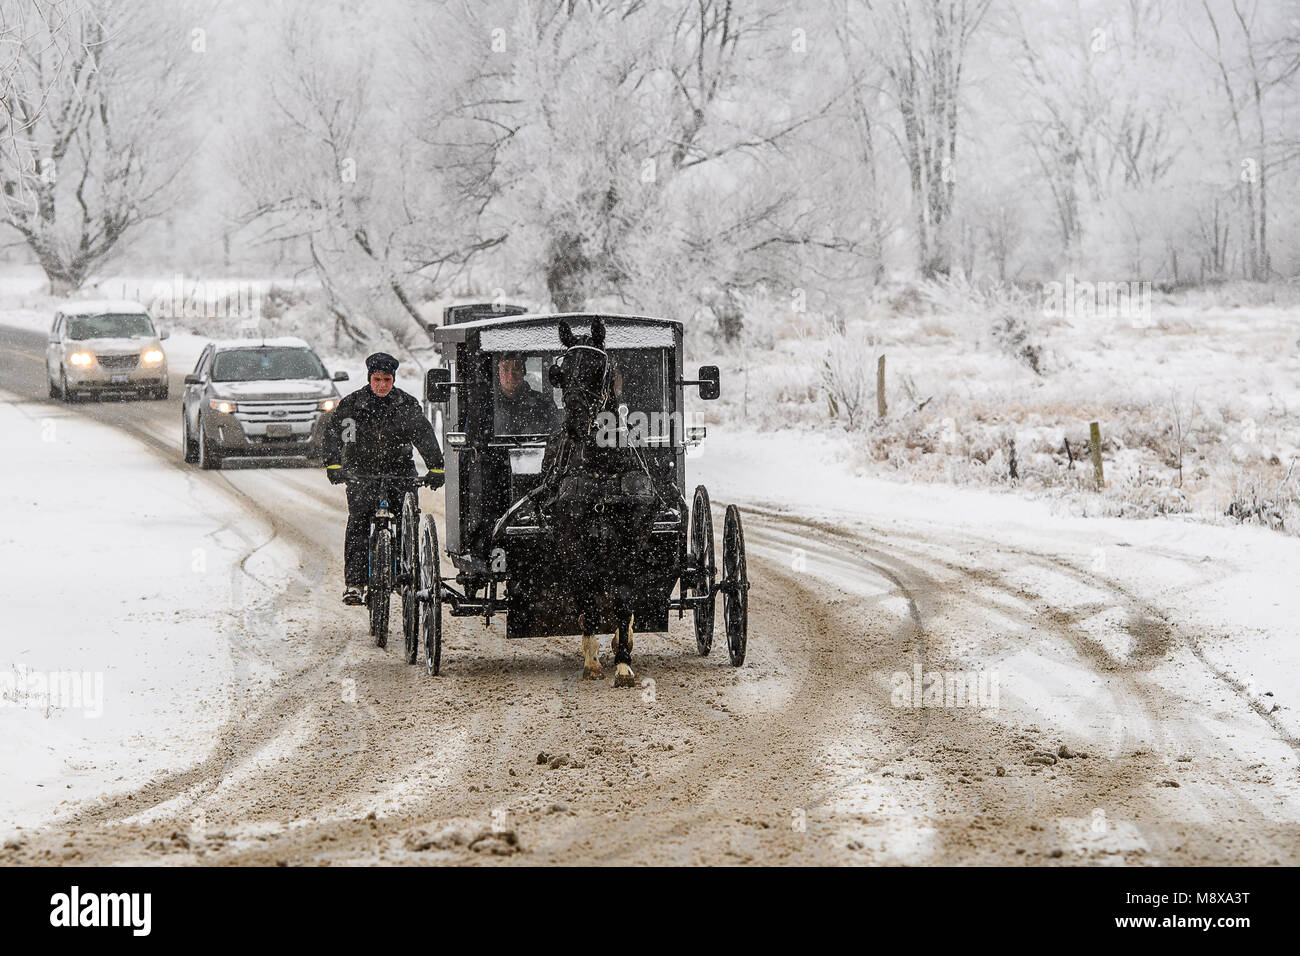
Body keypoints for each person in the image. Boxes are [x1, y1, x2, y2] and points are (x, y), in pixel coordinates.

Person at [323, 352, 444, 606]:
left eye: (386, 380)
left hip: (399, 473)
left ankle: (404, 572)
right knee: (358, 521)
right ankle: (354, 583)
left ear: (393, 380)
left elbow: (424, 435)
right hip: (361, 474)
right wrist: (334, 465)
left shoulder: (406, 405)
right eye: (377, 379)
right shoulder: (352, 405)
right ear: (369, 378)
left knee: (406, 519)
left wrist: (436, 467)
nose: (381, 385)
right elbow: (333, 434)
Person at [493, 352, 557, 435]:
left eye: (516, 368)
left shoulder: (544, 403)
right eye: (505, 369)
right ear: (498, 373)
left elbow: (555, 440)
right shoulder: (489, 404)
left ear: (524, 371)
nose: (511, 375)